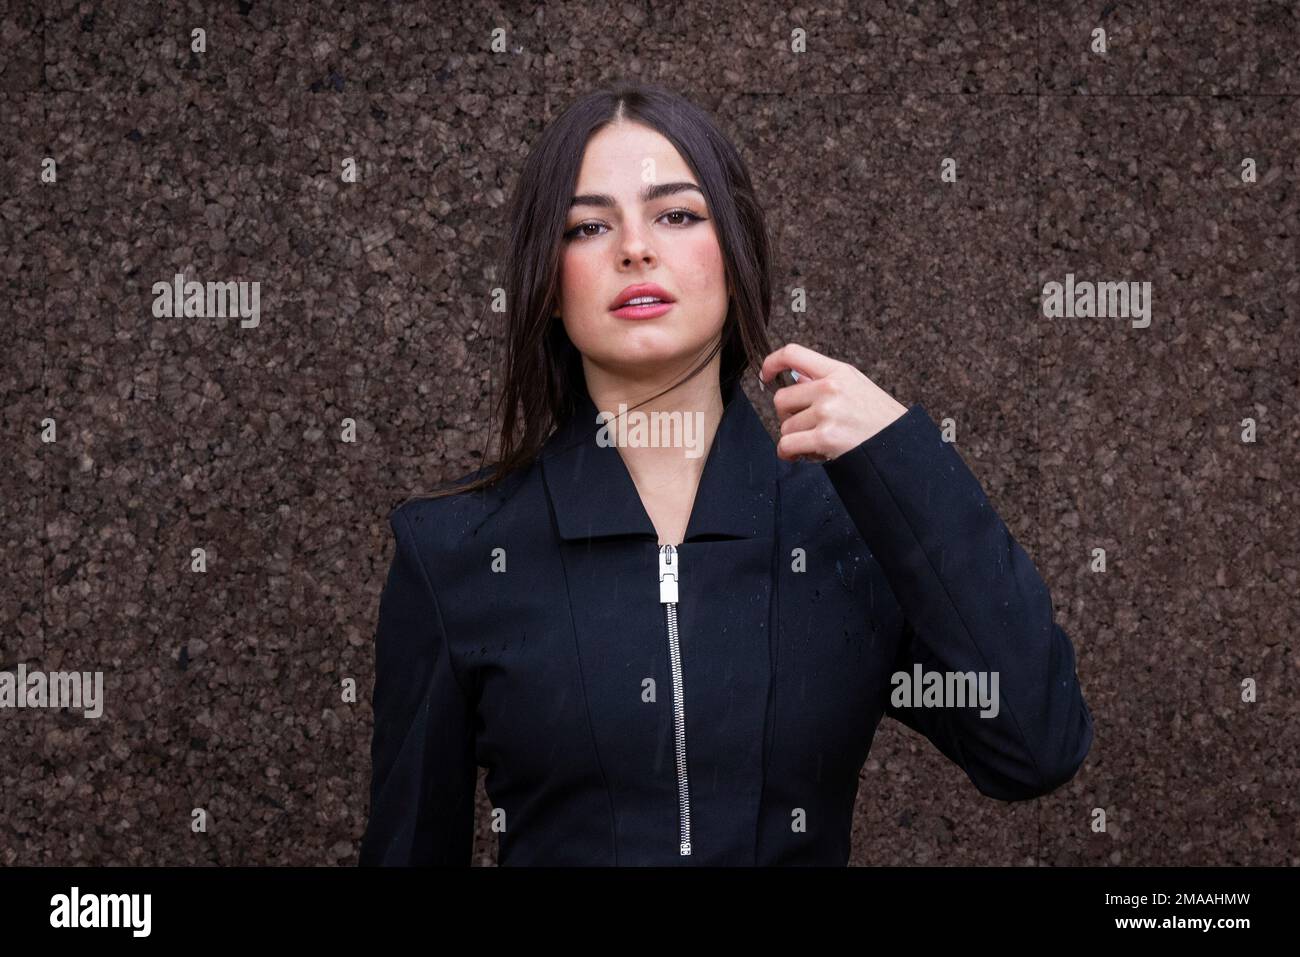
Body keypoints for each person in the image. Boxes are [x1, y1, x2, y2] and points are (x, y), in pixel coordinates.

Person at [359, 81, 1094, 866]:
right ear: (547, 284)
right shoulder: (457, 549)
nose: (635, 248)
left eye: (677, 214)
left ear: (737, 258)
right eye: (588, 225)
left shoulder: (847, 527)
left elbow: (1034, 744)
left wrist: (901, 457)